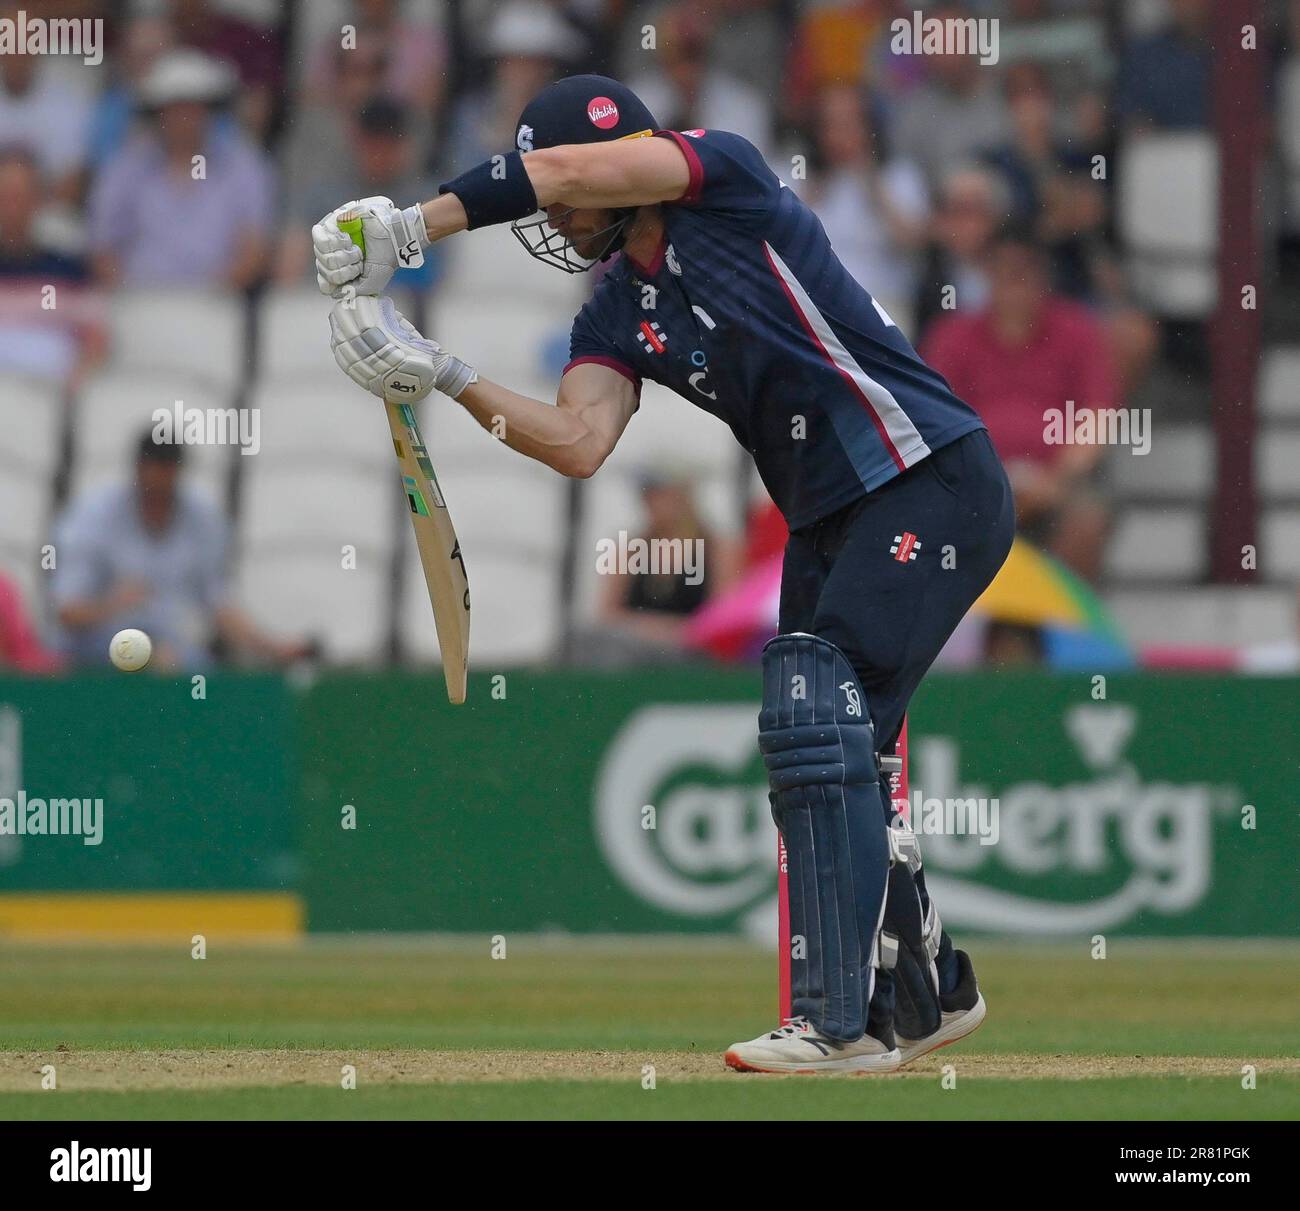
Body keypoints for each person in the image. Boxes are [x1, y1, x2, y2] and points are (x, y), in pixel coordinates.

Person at [313, 74, 1014, 1074]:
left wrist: (406, 227)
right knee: (830, 742)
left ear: (623, 165)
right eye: (545, 199)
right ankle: (926, 987)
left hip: (928, 476)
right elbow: (575, 441)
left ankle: (842, 1022)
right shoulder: (613, 313)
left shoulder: (721, 177)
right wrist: (440, 371)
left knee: (815, 699)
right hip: (826, 518)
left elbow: (555, 166)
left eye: (563, 194)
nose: (550, 212)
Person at [51, 429, 310, 671]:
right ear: (138, 471)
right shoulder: (91, 517)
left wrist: (272, 648)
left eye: (168, 478)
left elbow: (219, 604)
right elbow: (67, 613)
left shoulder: (203, 518)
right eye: (153, 481)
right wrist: (114, 605)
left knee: (192, 666)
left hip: (174, 653)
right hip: (95, 654)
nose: (159, 493)